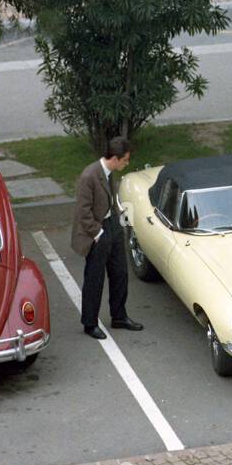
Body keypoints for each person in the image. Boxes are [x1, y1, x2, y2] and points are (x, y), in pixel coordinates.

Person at [72, 137, 142, 339]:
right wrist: (98, 233)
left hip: (112, 224)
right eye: (125, 160)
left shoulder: (109, 172)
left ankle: (119, 316)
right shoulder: (89, 177)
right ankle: (89, 323)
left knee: (120, 272)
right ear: (114, 158)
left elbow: (111, 201)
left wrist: (118, 223)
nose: (126, 163)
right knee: (95, 278)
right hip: (97, 230)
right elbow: (83, 212)